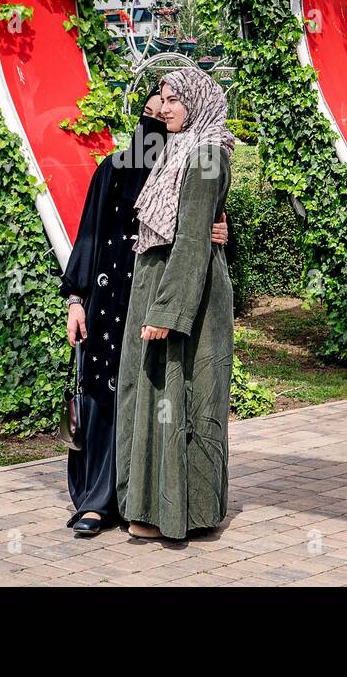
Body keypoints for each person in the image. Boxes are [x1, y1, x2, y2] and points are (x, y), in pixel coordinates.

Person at [59, 93, 231, 537]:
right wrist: (76, 299)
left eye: (165, 112)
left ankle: (141, 498)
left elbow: (199, 233)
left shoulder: (182, 165)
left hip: (152, 302)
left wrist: (224, 231)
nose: (155, 122)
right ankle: (97, 502)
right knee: (102, 396)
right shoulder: (112, 170)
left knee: (148, 399)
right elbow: (88, 239)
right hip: (106, 302)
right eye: (149, 114)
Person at [116, 67, 235, 541]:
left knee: (186, 397)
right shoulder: (179, 151)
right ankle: (148, 507)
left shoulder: (207, 153)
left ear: (198, 101)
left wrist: (168, 313)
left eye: (172, 99)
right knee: (153, 397)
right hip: (159, 282)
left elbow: (191, 239)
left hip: (188, 297)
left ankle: (183, 512)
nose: (162, 107)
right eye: (161, 98)